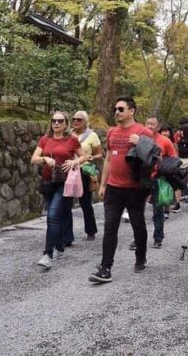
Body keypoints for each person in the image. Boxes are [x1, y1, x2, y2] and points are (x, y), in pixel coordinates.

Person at [89, 96, 154, 283]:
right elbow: (108, 159)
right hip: (114, 188)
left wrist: (140, 142)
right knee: (110, 227)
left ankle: (141, 257)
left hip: (135, 188)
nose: (116, 112)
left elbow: (152, 158)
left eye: (121, 109)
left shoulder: (143, 132)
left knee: (138, 226)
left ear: (131, 111)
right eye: (115, 109)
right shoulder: (111, 132)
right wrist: (103, 184)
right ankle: (105, 267)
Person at [30, 111, 88, 269]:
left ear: (65, 124)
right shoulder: (44, 139)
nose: (56, 123)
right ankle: (59, 248)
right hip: (48, 182)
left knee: (53, 216)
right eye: (54, 121)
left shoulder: (72, 140)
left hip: (64, 182)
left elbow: (84, 156)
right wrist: (44, 159)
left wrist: (74, 162)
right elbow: (33, 159)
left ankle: (48, 254)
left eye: (60, 121)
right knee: (54, 216)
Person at [141, 117, 177, 249]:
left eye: (152, 124)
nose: (150, 126)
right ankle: (138, 238)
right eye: (147, 123)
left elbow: (174, 159)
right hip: (142, 177)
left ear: (158, 127)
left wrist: (163, 165)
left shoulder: (165, 141)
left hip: (158, 177)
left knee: (157, 209)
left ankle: (158, 237)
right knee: (138, 209)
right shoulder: (140, 138)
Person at [70, 111, 103, 240]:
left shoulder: (92, 135)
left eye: (79, 119)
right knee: (66, 203)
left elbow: (100, 154)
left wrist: (91, 157)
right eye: (74, 119)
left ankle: (91, 231)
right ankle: (66, 234)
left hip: (84, 171)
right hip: (69, 170)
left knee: (85, 202)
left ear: (85, 121)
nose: (76, 121)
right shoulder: (68, 134)